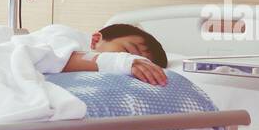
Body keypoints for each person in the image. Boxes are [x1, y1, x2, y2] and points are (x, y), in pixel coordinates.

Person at [20, 23, 169, 86]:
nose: (132, 59)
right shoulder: (65, 35)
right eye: (128, 51)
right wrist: (122, 62)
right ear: (96, 39)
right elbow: (52, 59)